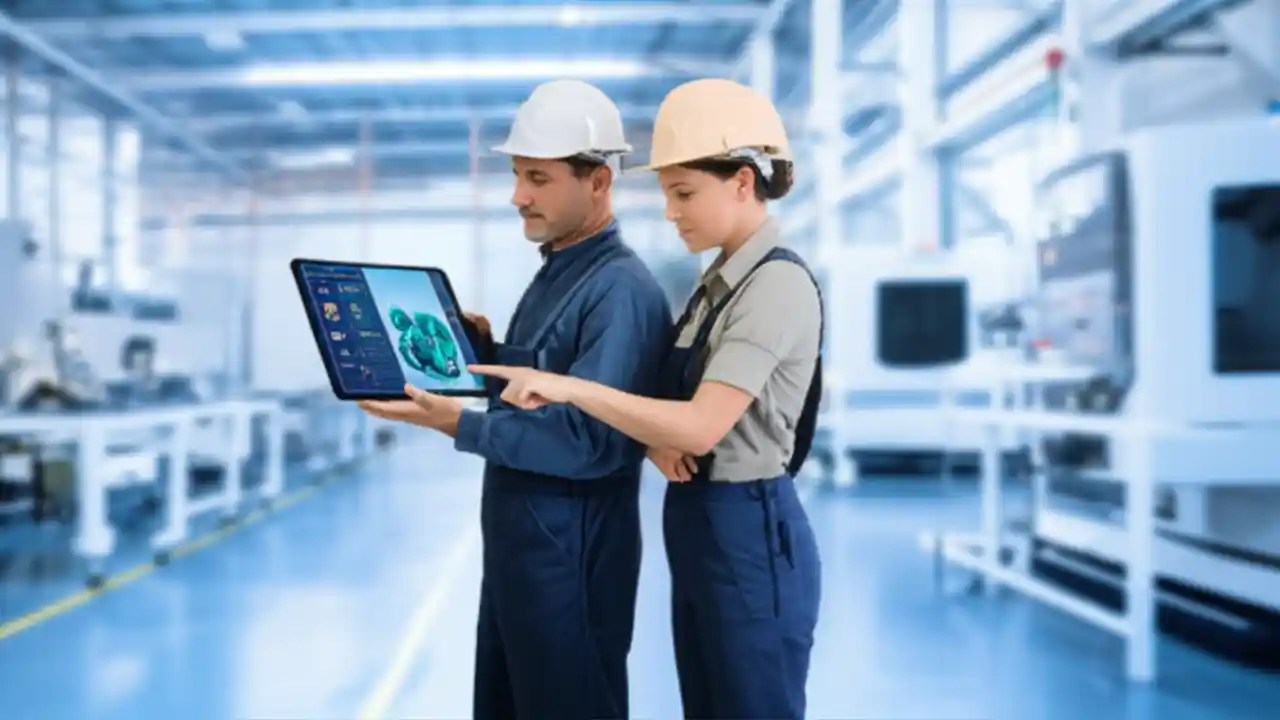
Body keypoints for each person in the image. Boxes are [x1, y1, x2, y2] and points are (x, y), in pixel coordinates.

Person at [426, 77, 825, 720]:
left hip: (735, 521)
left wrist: (485, 416)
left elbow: (691, 425)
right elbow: (660, 403)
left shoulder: (762, 285)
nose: (670, 211)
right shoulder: (713, 288)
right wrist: (489, 357)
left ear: (743, 182)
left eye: (684, 192)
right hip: (695, 519)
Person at [360, 79, 673, 720]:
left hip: (571, 563)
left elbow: (589, 439)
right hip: (523, 558)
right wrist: (484, 351)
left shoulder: (620, 291)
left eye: (537, 178)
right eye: (516, 175)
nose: (517, 196)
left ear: (597, 182)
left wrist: (458, 424)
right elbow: (543, 383)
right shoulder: (561, 270)